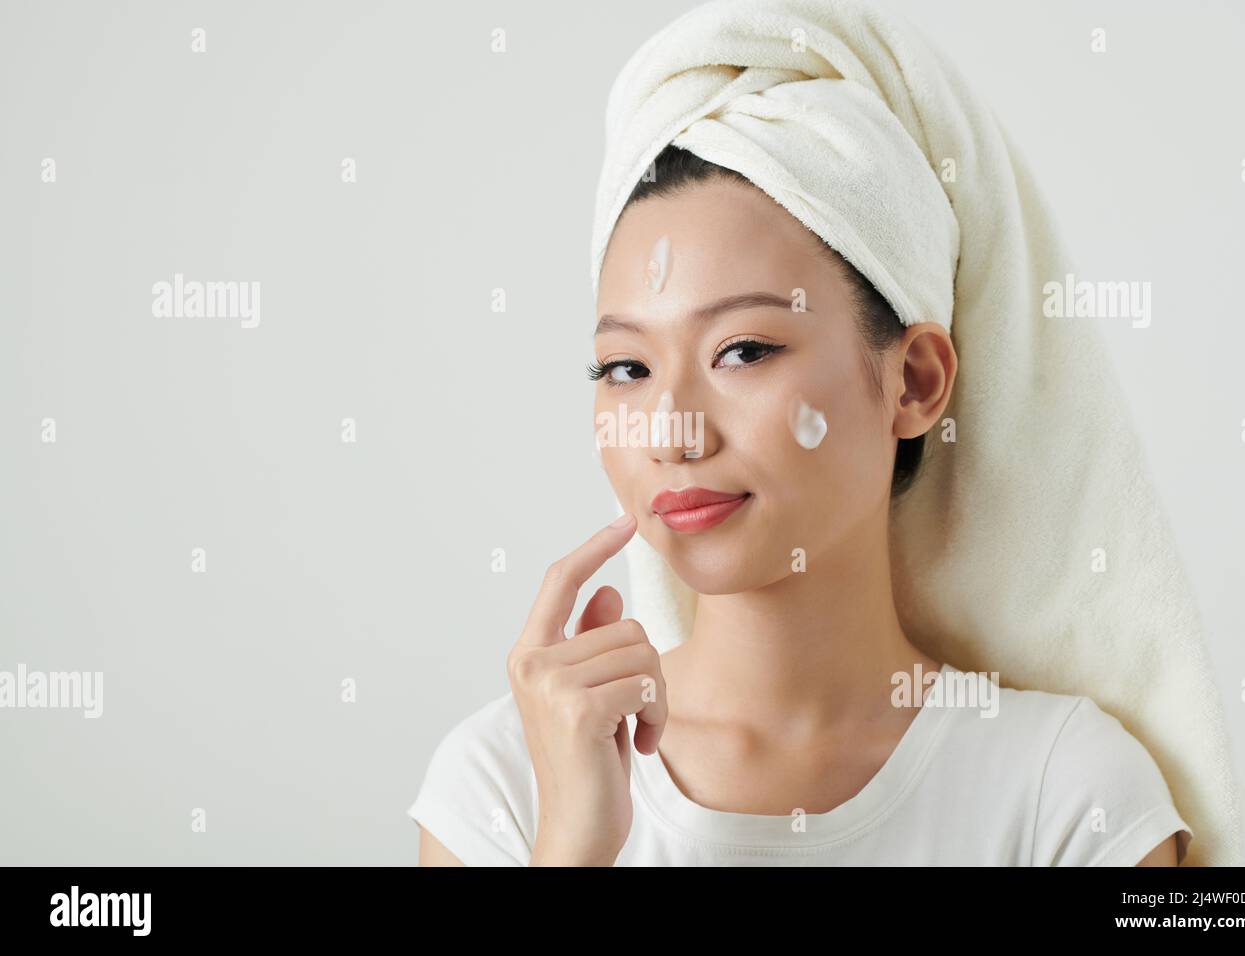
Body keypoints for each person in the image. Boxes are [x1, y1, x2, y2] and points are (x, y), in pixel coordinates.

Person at [406, 142, 1193, 867]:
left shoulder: (1069, 796)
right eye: (624, 368)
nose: (672, 431)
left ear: (913, 382)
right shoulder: (505, 787)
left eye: (744, 351)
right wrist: (571, 846)